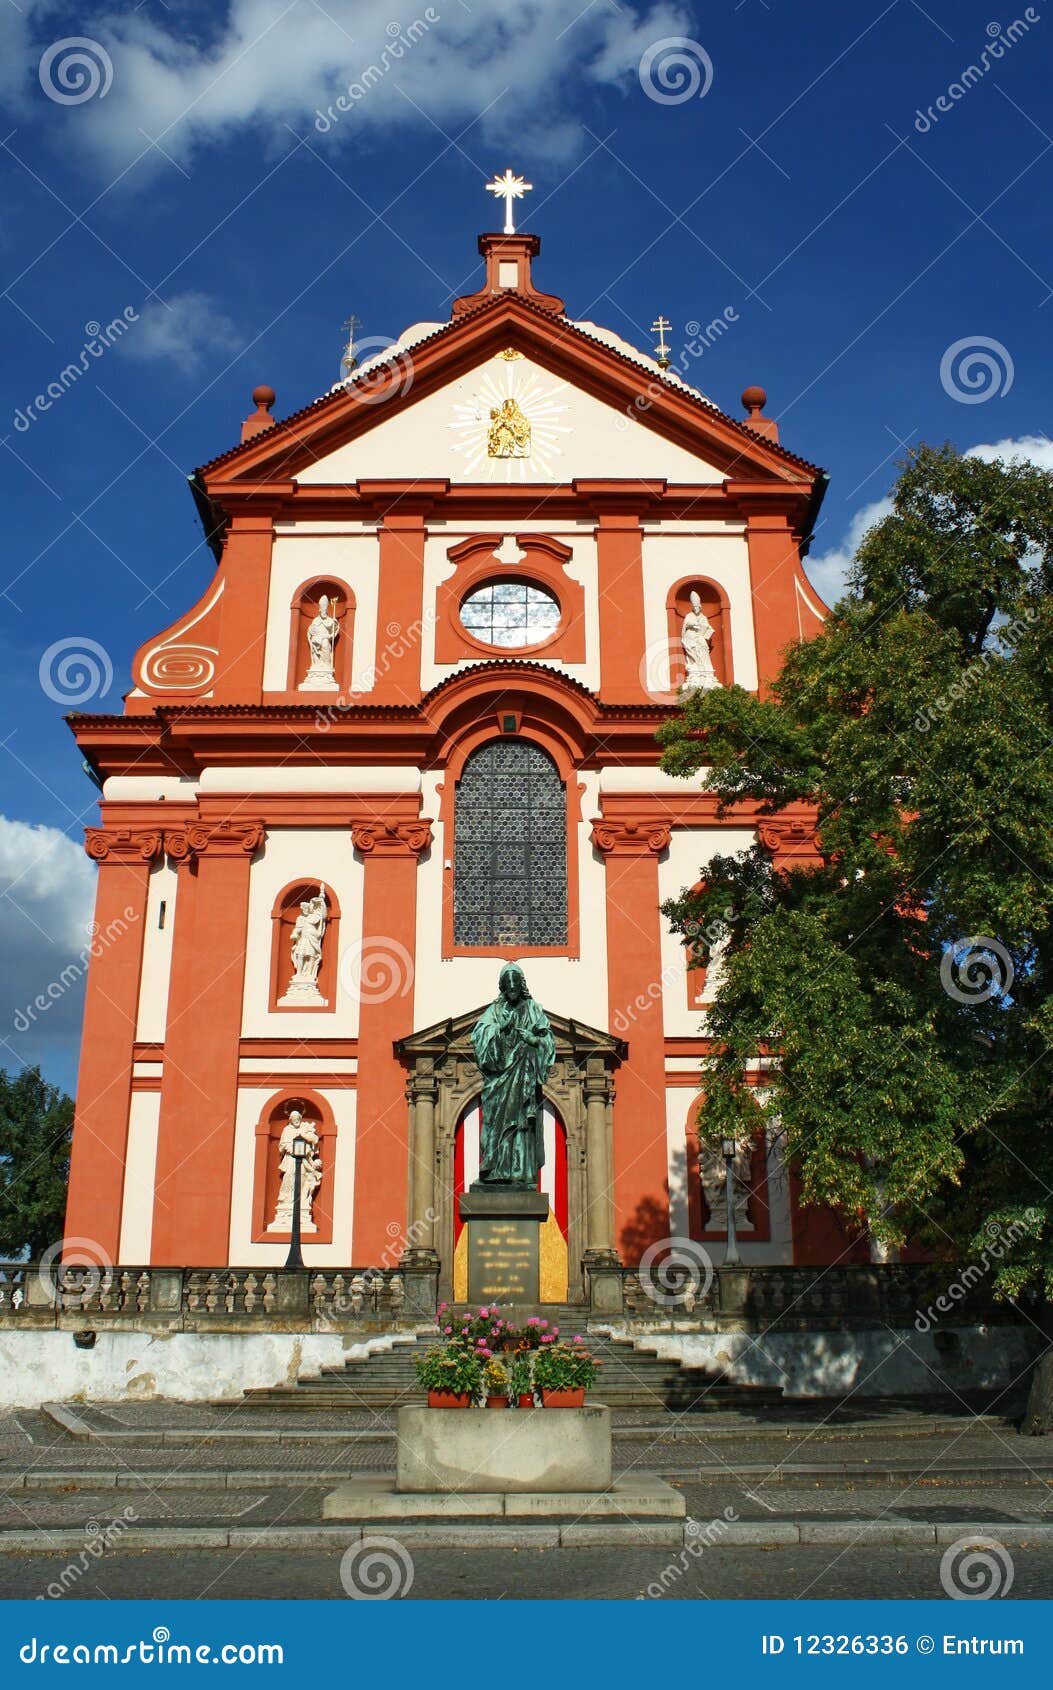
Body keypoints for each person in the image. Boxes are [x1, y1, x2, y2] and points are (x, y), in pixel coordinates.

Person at [470, 962, 555, 1186]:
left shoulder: (534, 1010)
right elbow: (478, 1037)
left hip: (524, 1077)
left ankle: (520, 1172)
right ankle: (494, 1168)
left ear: (521, 985)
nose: (511, 991)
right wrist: (501, 1029)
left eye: (515, 986)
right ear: (502, 988)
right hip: (498, 1082)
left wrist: (533, 1040)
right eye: (507, 988)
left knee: (522, 1123)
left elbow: (548, 1040)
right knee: (494, 1122)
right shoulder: (495, 1011)